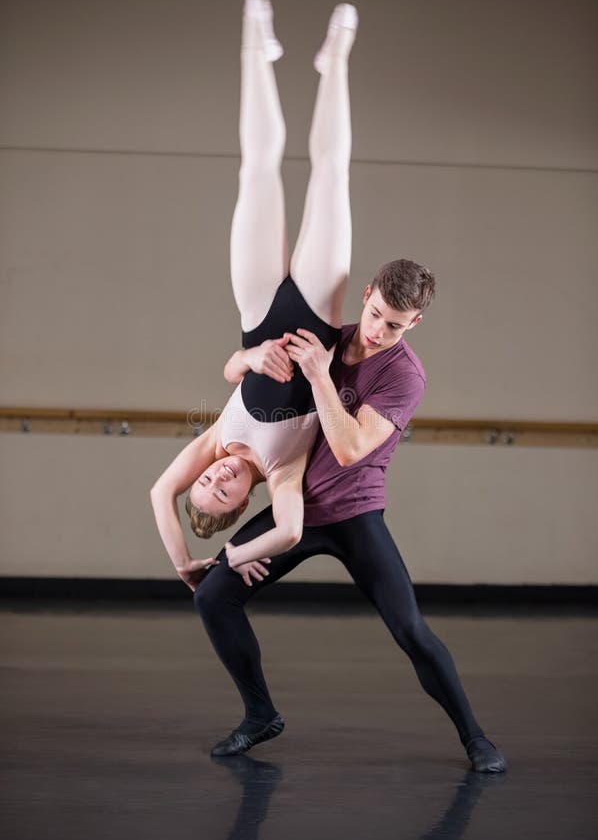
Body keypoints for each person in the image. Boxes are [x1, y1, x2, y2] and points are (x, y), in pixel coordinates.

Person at [195, 265, 506, 775]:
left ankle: (475, 738)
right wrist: (251, 357)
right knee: (212, 595)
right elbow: (235, 369)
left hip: (355, 513)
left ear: (415, 323)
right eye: (376, 314)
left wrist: (320, 375)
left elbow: (349, 449)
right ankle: (260, 714)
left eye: (395, 325)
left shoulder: (404, 375)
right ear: (366, 294)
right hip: (296, 509)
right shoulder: (325, 338)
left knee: (411, 630)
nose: (378, 330)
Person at [150, 0, 358, 587]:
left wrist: (180, 563)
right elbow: (289, 532)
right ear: (243, 503)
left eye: (206, 481)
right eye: (223, 492)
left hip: (258, 308)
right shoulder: (284, 470)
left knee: (256, 168)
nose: (217, 478)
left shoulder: (218, 441)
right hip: (317, 311)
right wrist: (227, 560)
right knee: (331, 175)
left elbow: (160, 491)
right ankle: (335, 63)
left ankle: (255, 47)